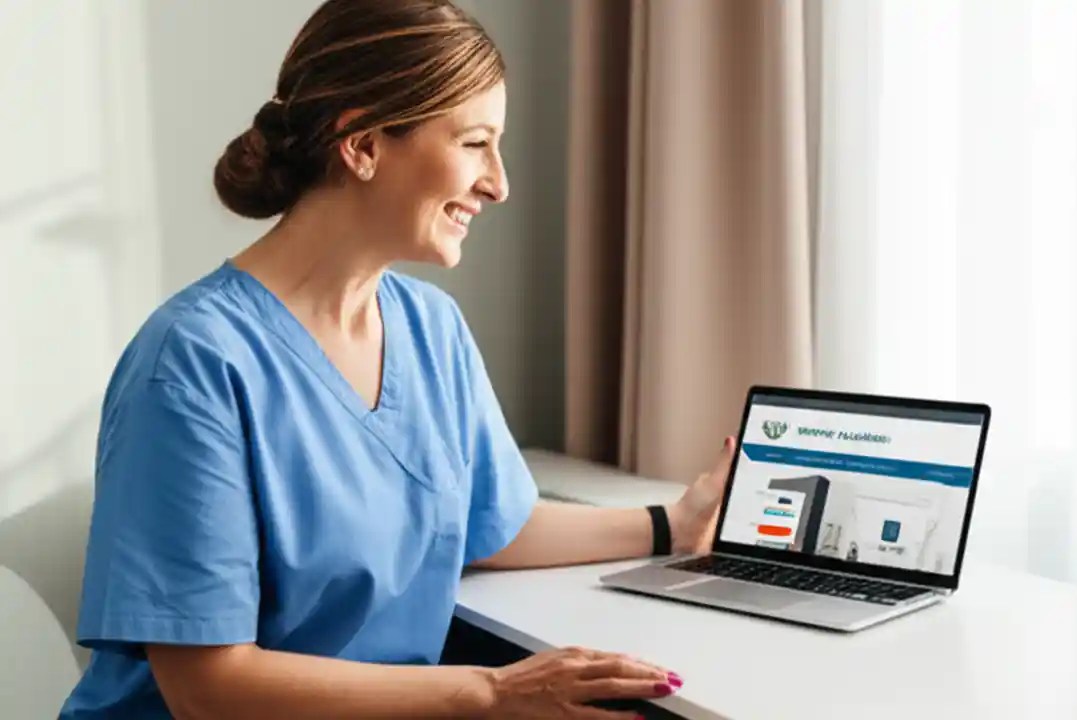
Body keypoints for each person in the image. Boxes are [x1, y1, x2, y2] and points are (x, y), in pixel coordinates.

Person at [57, 1, 734, 717]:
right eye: (475, 143)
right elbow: (208, 688)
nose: (499, 183)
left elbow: (486, 522)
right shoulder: (193, 362)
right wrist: (494, 691)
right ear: (363, 143)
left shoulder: (429, 328)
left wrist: (673, 523)